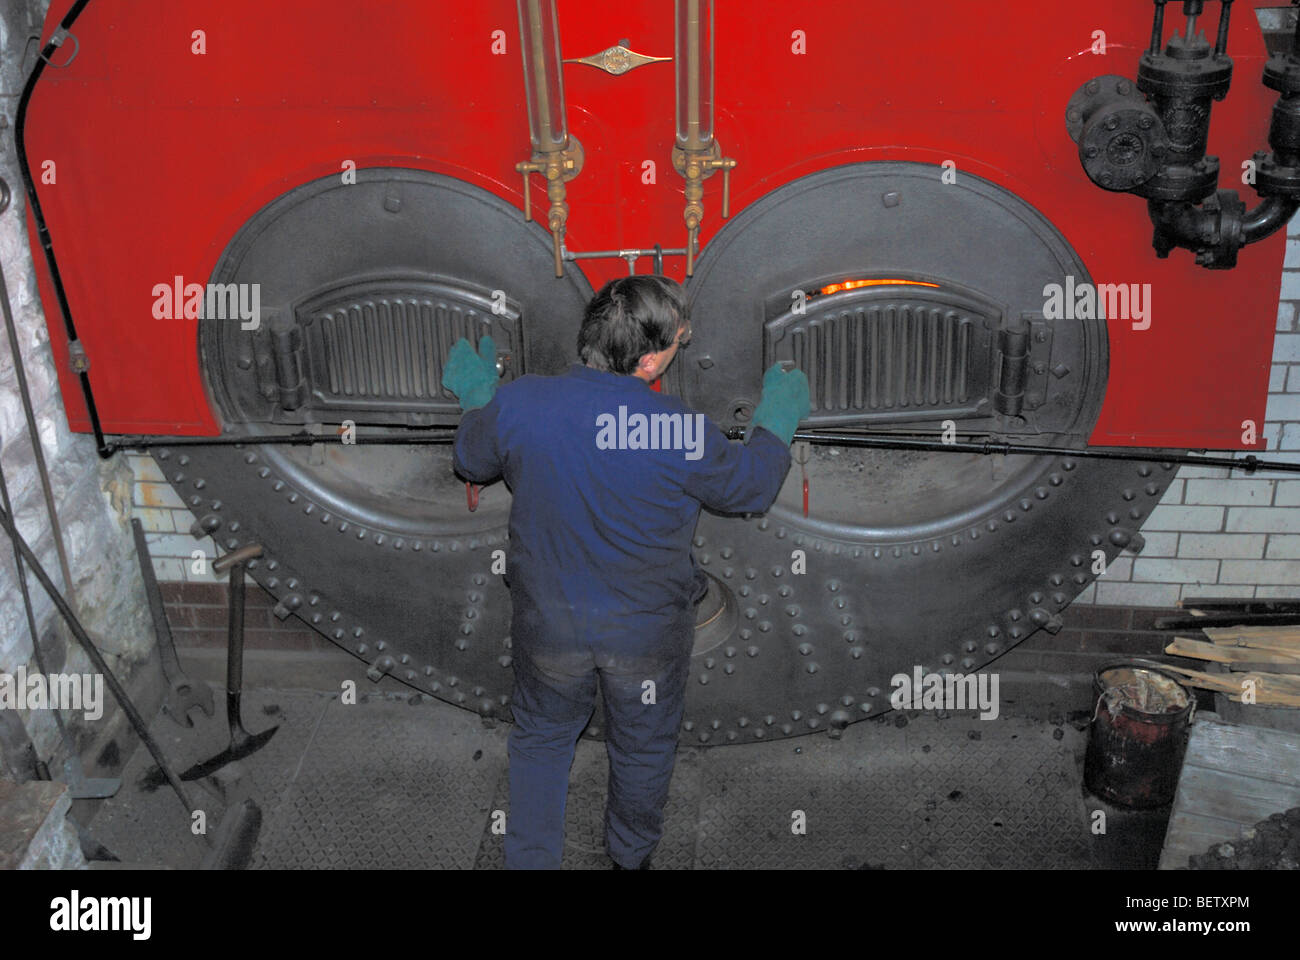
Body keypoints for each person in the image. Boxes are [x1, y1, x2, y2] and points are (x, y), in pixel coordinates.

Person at [443, 274, 809, 870]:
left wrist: (478, 397)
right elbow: (750, 488)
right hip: (644, 638)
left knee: (540, 742)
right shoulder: (677, 428)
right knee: (642, 750)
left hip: (549, 625)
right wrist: (776, 421)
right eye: (679, 340)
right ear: (649, 361)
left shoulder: (522, 402)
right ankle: (629, 858)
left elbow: (470, 459)